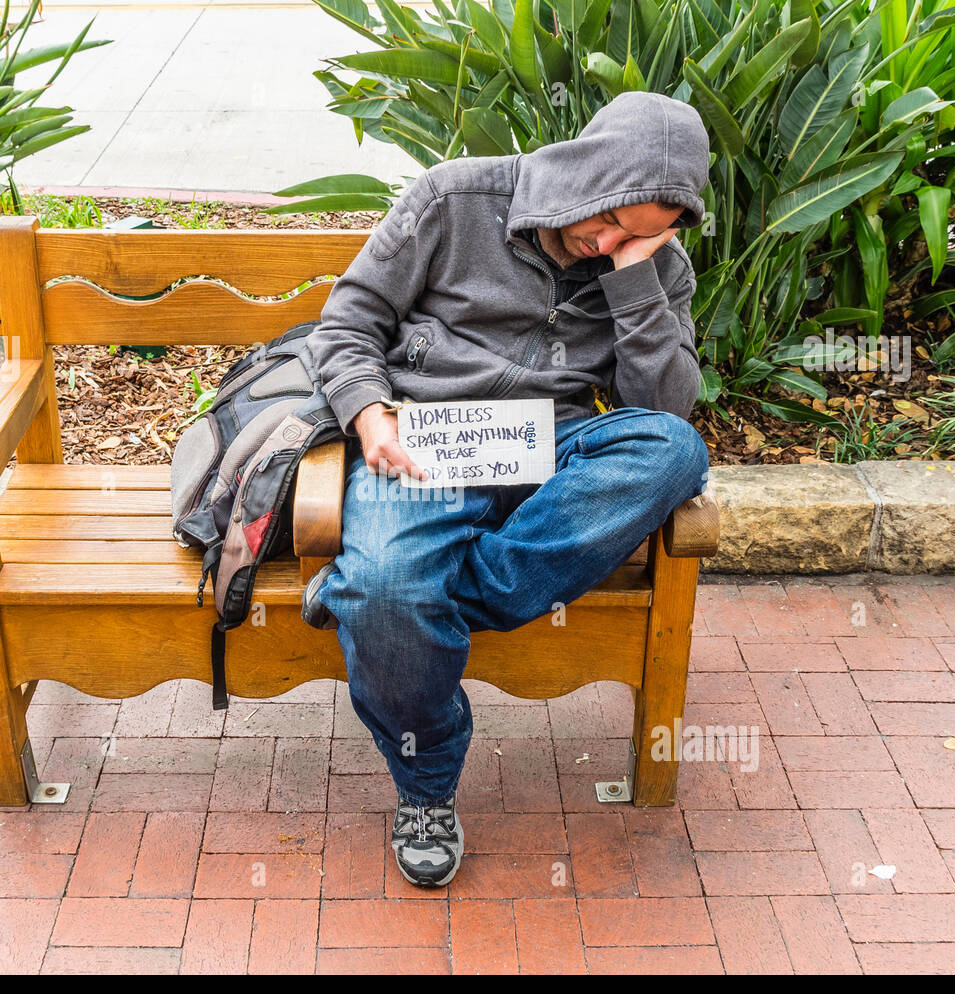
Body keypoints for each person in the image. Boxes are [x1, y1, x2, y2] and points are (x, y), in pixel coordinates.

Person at [300, 91, 713, 888]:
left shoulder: (656, 263)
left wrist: (636, 276)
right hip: (426, 444)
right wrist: (368, 412)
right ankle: (425, 785)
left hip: (552, 444)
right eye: (613, 220)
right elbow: (347, 321)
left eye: (642, 234)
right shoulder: (456, 198)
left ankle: (409, 598)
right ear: (588, 173)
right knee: (389, 584)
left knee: (673, 449)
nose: (611, 241)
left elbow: (661, 405)